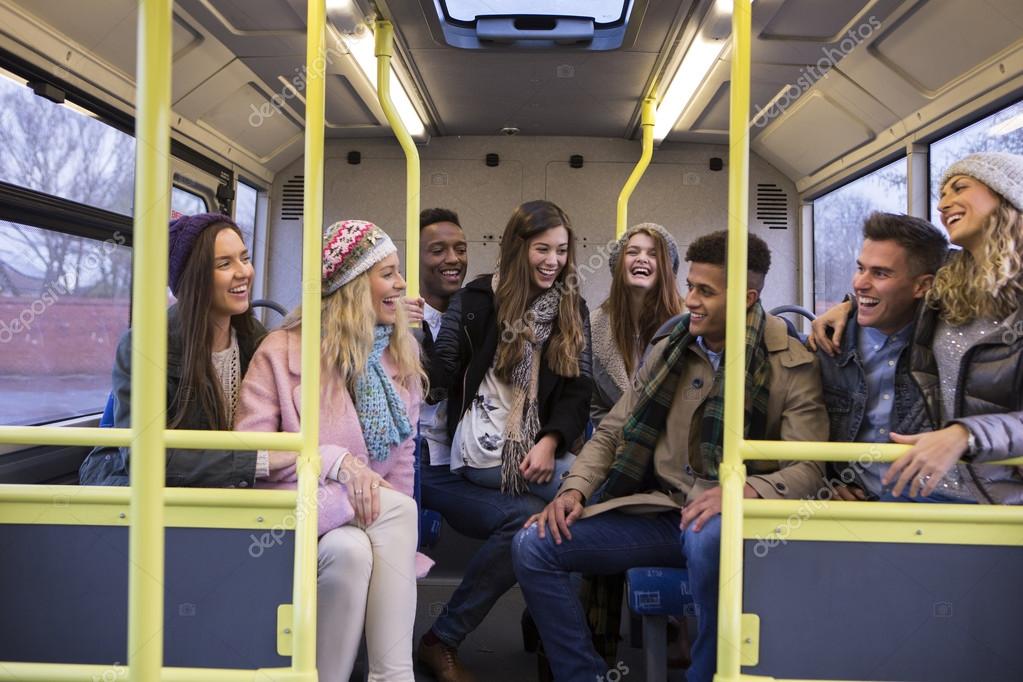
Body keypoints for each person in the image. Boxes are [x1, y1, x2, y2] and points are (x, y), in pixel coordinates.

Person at [512, 230, 829, 682]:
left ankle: (708, 674)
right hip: (659, 512)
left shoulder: (790, 364)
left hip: (731, 521)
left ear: (747, 297)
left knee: (707, 535)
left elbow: (809, 467)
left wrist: (742, 492)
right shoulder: (670, 347)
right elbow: (613, 430)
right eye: (690, 286)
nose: (690, 299)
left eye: (705, 291)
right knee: (532, 546)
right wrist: (574, 489)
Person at [235, 219, 428, 682]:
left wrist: (370, 501)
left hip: (358, 521)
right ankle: (393, 676)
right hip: (292, 508)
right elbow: (252, 457)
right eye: (388, 273)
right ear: (353, 285)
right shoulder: (280, 353)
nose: (401, 284)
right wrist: (335, 464)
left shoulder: (397, 357)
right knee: (400, 513)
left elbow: (401, 464)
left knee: (353, 550)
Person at [417, 199, 593, 682]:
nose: (552, 261)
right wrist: (410, 332)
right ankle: (571, 660)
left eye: (561, 250)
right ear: (519, 248)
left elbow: (580, 387)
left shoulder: (570, 304)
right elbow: (440, 378)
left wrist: (551, 440)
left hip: (535, 448)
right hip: (474, 453)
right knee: (573, 504)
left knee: (548, 521)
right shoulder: (475, 301)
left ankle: (453, 638)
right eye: (542, 249)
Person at [812, 152, 1023, 504]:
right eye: (940, 194)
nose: (944, 203)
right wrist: (847, 306)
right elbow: (895, 286)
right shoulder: (950, 284)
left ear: (1008, 195)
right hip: (926, 489)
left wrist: (962, 436)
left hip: (999, 498)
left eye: (960, 188)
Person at [78, 213, 286, 486]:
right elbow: (146, 458)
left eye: (244, 258)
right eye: (225, 263)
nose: (244, 272)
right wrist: (257, 462)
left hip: (225, 489)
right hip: (150, 497)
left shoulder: (257, 341)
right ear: (193, 279)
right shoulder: (144, 347)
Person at [816, 212, 949, 500]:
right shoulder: (825, 346)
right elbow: (800, 435)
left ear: (922, 286)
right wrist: (826, 484)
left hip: (931, 511)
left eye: (880, 273)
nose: (860, 283)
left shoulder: (948, 345)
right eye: (860, 268)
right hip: (855, 509)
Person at [590, 222, 684, 426]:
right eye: (633, 252)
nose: (642, 259)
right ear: (619, 265)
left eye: (653, 254)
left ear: (666, 268)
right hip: (612, 442)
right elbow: (595, 403)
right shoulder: (593, 325)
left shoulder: (686, 325)